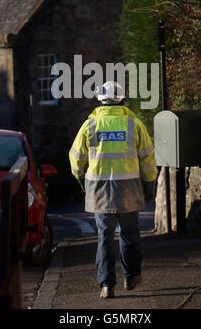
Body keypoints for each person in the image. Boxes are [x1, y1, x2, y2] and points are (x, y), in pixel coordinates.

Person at [69, 81, 158, 299]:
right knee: (129, 235)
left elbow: (76, 159)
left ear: (99, 101)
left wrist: (82, 179)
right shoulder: (133, 124)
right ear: (122, 100)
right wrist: (149, 185)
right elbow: (148, 158)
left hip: (99, 191)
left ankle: (107, 285)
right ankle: (131, 276)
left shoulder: (89, 126)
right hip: (129, 189)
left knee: (104, 237)